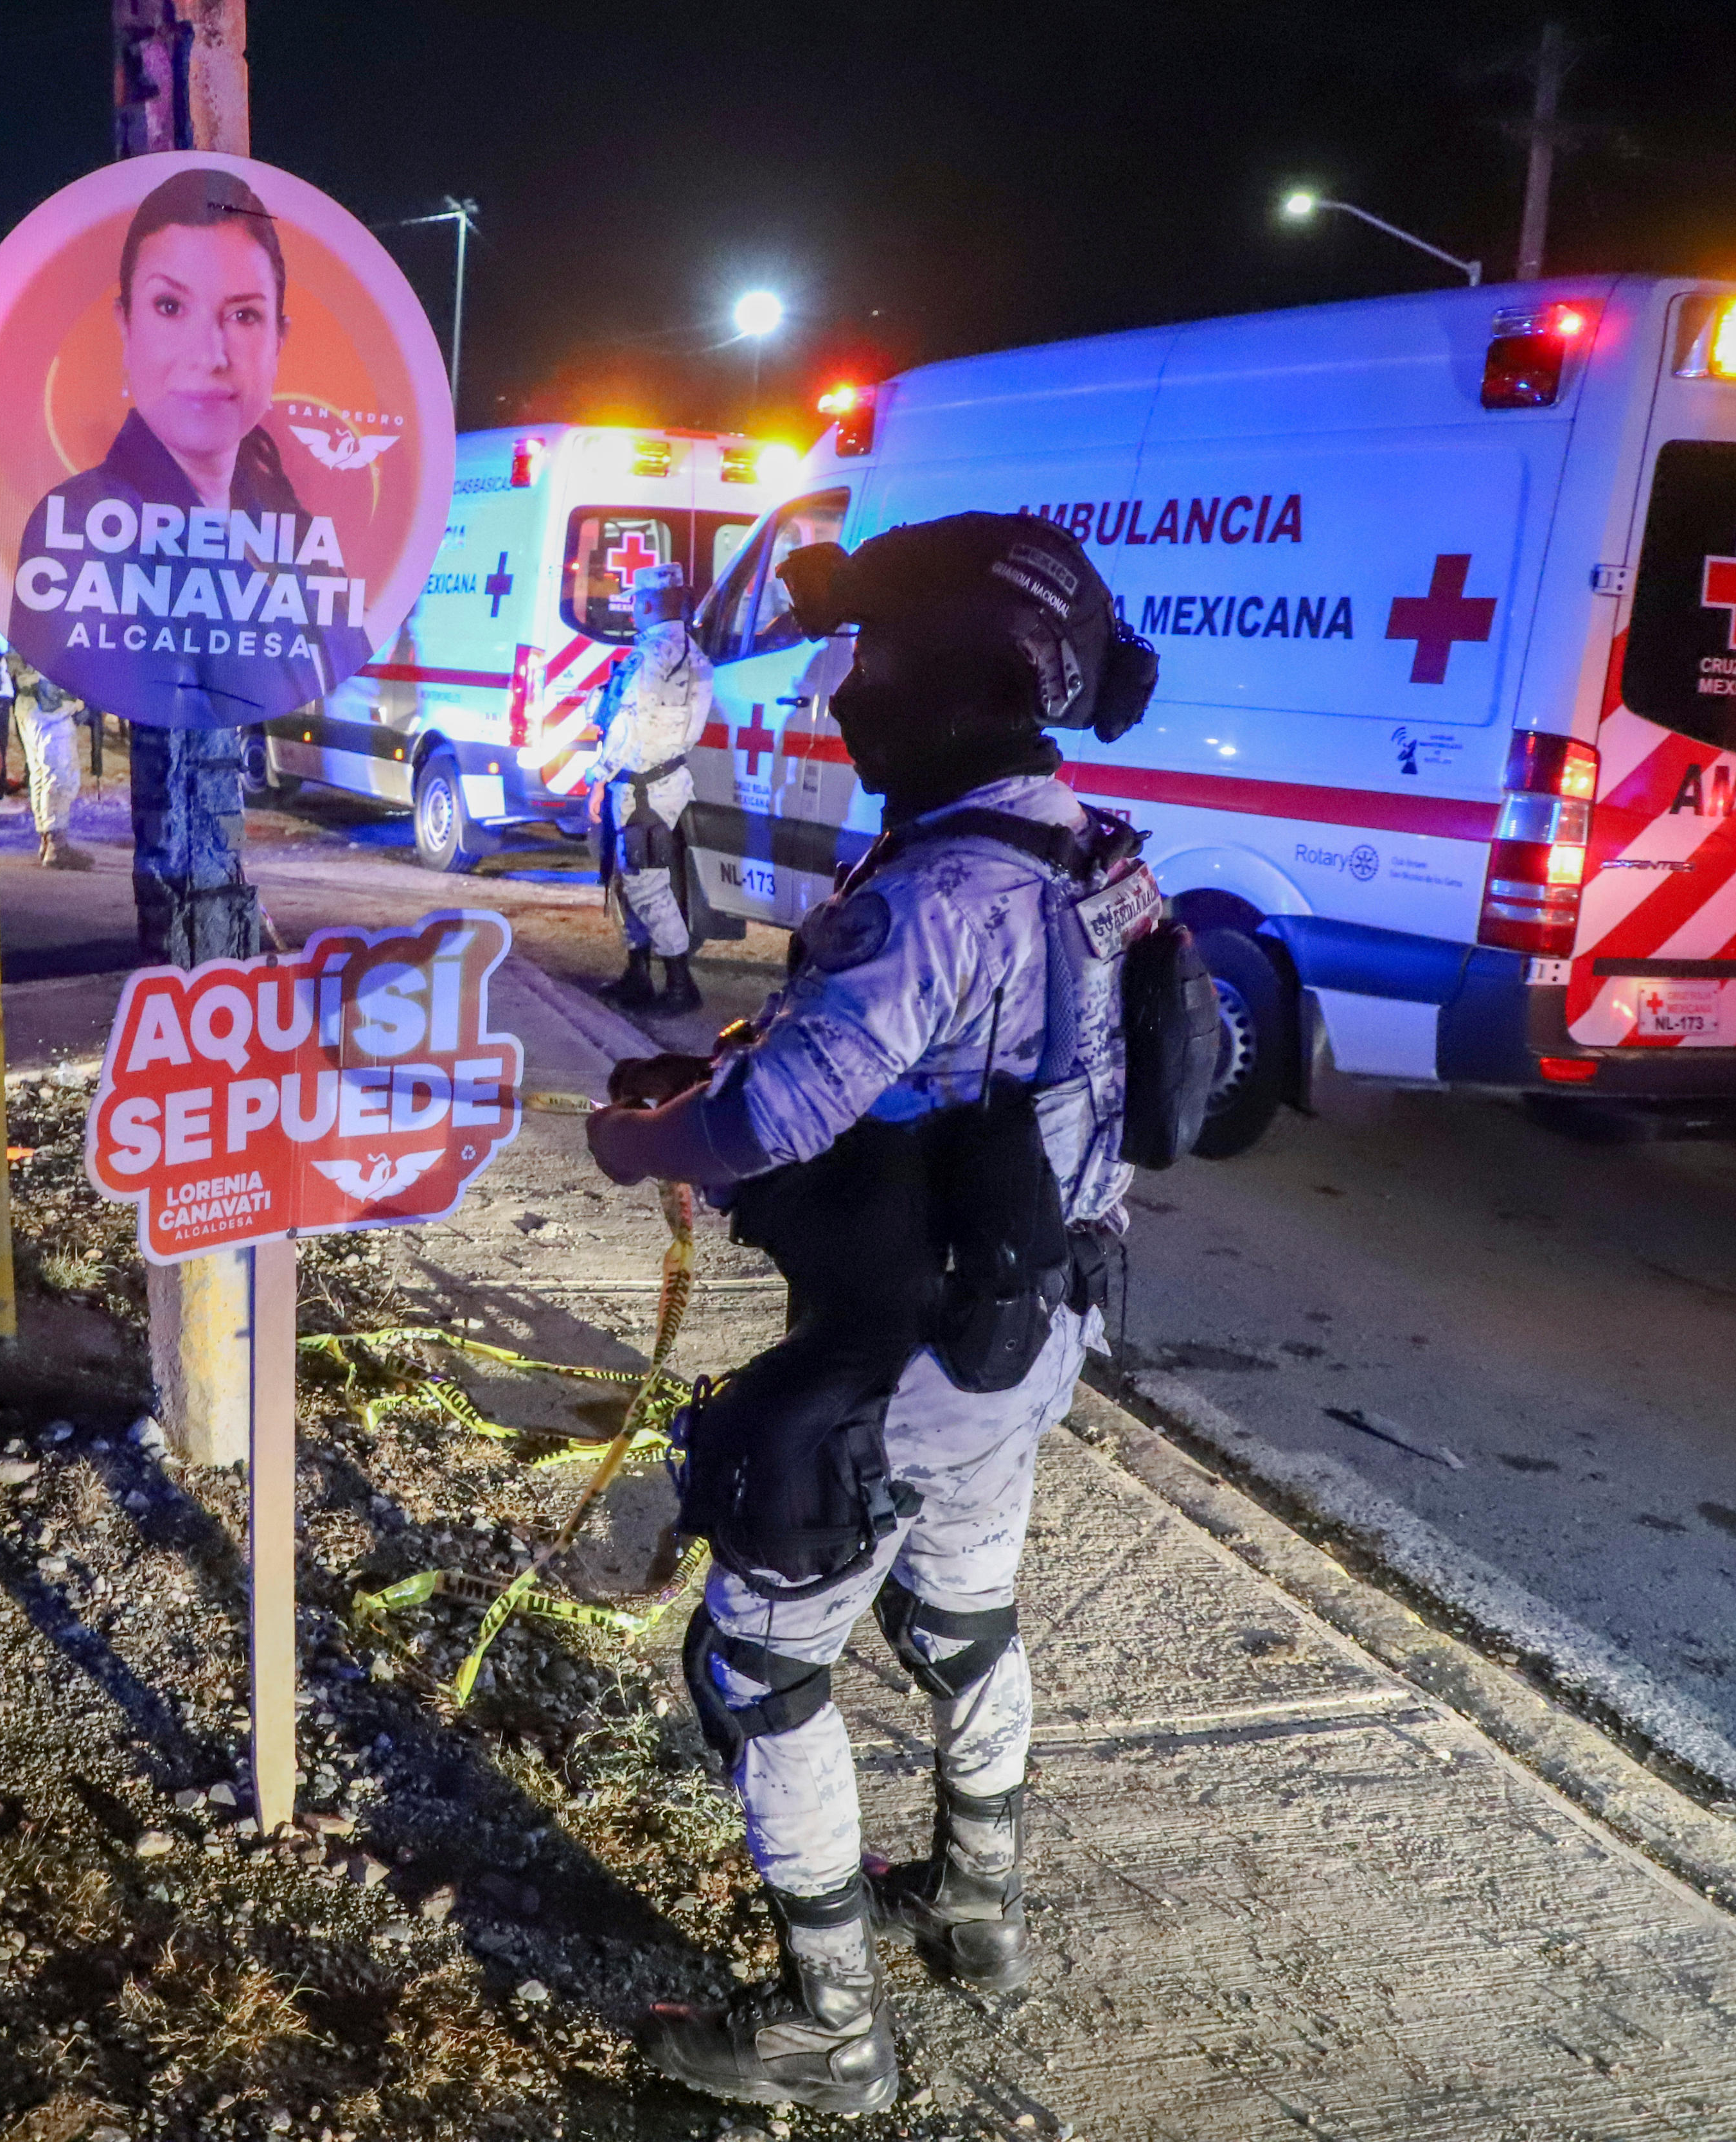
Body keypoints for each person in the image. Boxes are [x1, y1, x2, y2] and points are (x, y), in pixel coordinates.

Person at [585, 514, 1160, 2116]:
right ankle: (977, 1908)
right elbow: (958, 1071)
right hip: (1035, 1329)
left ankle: (828, 2028)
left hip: (909, 1352)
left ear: (963, 679)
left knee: (755, 1667)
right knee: (959, 1618)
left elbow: (775, 1117)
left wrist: (632, 1141)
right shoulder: (1092, 853)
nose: (846, 690)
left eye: (875, 655)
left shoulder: (944, 888)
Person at [4, 165, 371, 731]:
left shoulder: (294, 528)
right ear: (125, 325)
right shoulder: (78, 527)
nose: (210, 353)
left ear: (279, 339)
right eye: (171, 307)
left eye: (244, 315)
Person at [592, 560, 714, 1012]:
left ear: (646, 605)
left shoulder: (647, 657)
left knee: (645, 886)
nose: (632, 611)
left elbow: (626, 725)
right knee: (632, 879)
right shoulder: (697, 657)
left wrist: (598, 778)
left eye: (635, 603)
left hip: (638, 785)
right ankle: (637, 974)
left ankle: (680, 985)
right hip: (668, 780)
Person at [4, 638, 92, 870]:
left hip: (32, 703)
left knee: (42, 776)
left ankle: (48, 839)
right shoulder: (50, 622)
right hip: (49, 707)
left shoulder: (26, 621)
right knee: (60, 778)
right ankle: (56, 845)